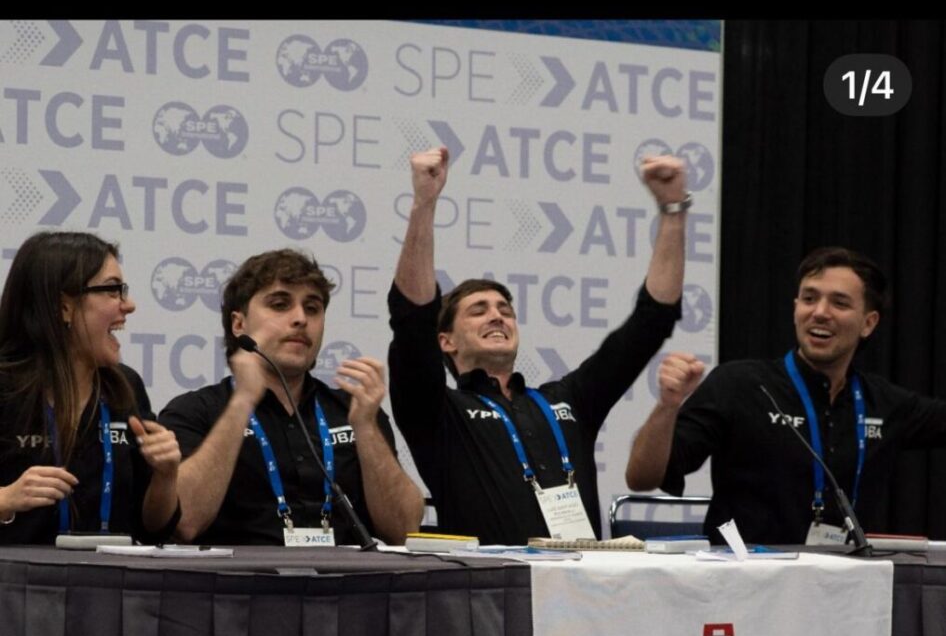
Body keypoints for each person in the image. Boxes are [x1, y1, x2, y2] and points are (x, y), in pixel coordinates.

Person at [388, 146, 689, 545]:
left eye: (505, 310)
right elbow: (412, 320)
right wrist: (424, 204)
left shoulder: (568, 400)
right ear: (446, 341)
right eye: (478, 310)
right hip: (495, 583)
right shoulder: (437, 413)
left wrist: (672, 211)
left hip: (585, 578)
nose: (497, 316)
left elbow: (651, 323)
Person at [626, 246, 946, 544]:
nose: (820, 312)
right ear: (795, 309)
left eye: (839, 303)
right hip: (747, 576)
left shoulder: (883, 403)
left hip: (845, 580)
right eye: (809, 298)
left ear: (868, 323)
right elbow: (641, 477)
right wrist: (667, 406)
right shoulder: (739, 385)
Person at [161, 248, 424, 546]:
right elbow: (183, 522)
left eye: (312, 308)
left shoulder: (354, 410)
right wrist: (242, 403)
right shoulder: (195, 411)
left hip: (345, 573)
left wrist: (366, 428)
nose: (300, 319)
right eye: (280, 304)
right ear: (239, 324)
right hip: (241, 575)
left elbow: (404, 530)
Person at [0, 231, 181, 543]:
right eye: (112, 290)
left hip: (113, 573)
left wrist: (166, 475)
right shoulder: (5, 387)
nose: (129, 305)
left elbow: (155, 527)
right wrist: (5, 499)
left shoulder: (126, 386)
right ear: (64, 307)